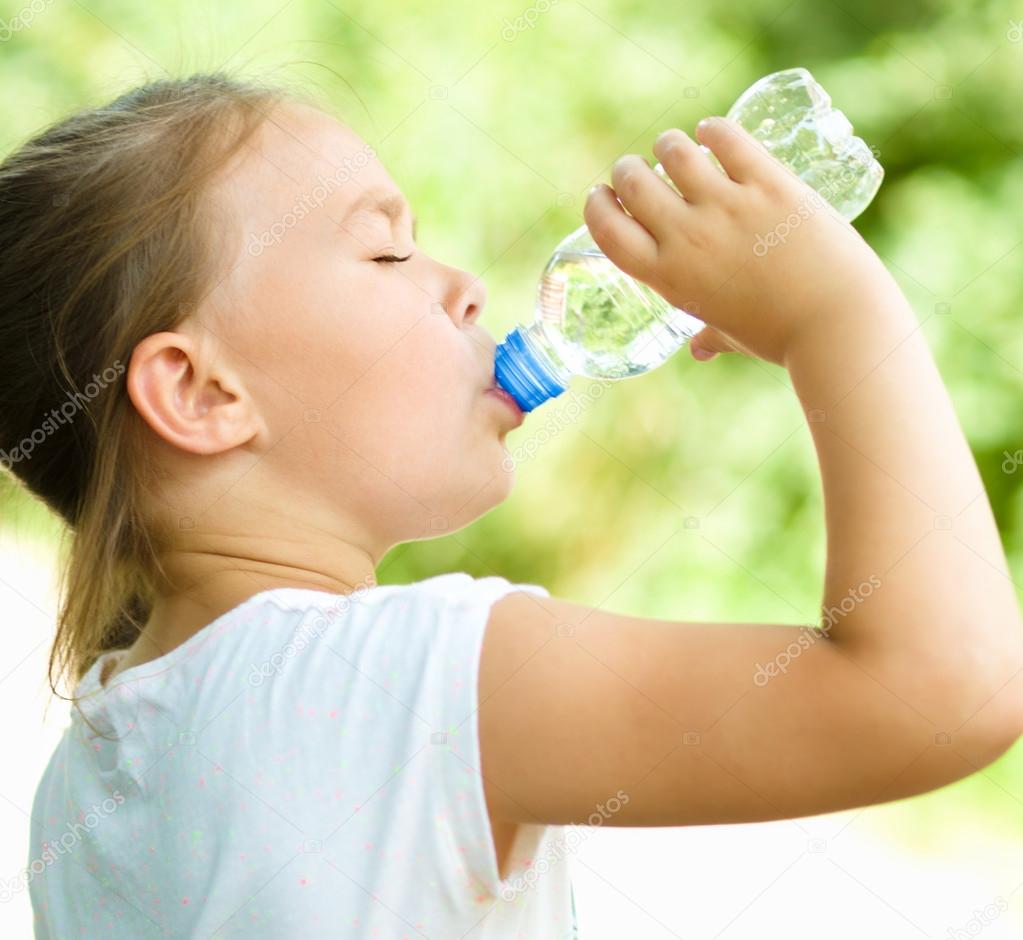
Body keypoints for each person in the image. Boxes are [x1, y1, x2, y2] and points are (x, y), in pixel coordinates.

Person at [3, 72, 1020, 938]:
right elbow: (940, 690)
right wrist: (836, 319)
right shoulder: (408, 683)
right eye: (388, 253)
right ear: (202, 393)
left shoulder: (89, 778)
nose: (466, 289)